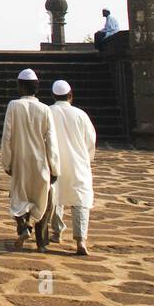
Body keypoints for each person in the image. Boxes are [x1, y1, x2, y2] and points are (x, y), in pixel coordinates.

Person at [0, 68, 60, 251]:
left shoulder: (13, 106)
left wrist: (7, 162)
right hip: (41, 161)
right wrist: (55, 167)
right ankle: (41, 243)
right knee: (43, 199)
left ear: (20, 87)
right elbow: (51, 140)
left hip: (20, 159)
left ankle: (24, 226)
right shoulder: (44, 109)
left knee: (18, 197)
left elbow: (7, 136)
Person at [47, 80, 97, 256]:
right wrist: (87, 158)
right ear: (70, 96)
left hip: (54, 161)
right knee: (80, 198)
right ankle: (81, 240)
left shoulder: (48, 112)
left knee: (55, 196)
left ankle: (57, 231)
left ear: (53, 96)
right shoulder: (80, 114)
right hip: (78, 161)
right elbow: (91, 139)